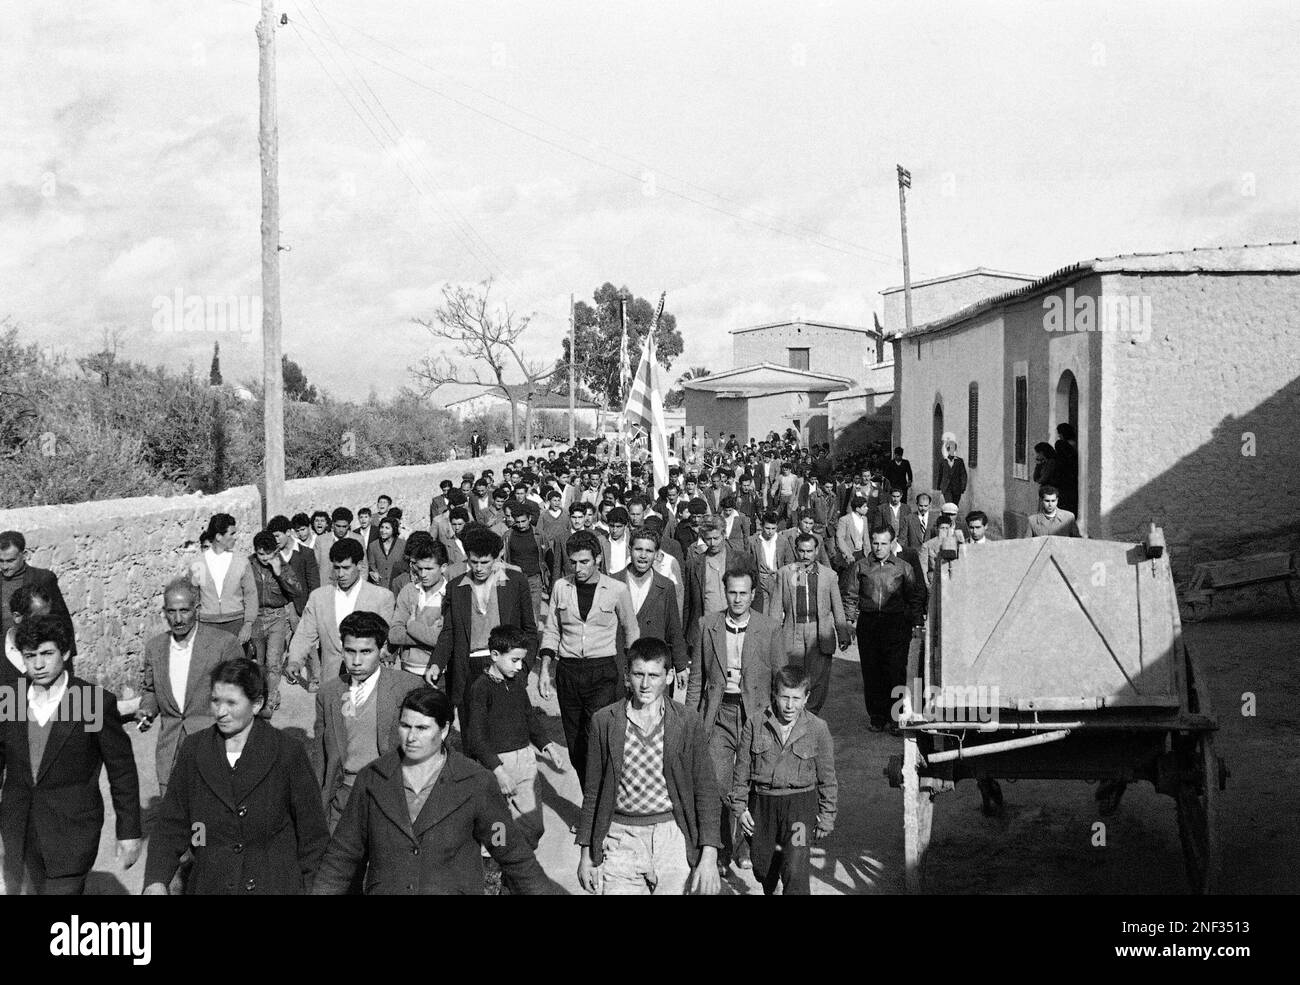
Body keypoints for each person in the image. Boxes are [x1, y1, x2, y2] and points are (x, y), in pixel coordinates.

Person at [313, 686, 552, 894]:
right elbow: (342, 853)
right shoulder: (372, 779)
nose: (411, 737)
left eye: (422, 728)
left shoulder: (476, 783)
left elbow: (510, 851)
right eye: (405, 726)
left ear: (444, 730)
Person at [143, 658, 329, 894]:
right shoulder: (194, 749)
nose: (220, 712)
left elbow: (313, 836)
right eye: (215, 701)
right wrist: (156, 880)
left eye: (231, 703)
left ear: (256, 704)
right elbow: (172, 823)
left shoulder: (287, 753)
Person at [1, 615, 142, 895]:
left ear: (65, 653)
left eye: (46, 654)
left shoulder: (91, 702)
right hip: (21, 829)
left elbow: (121, 770)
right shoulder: (11, 698)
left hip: (72, 832)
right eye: (30, 656)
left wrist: (129, 831)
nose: (38, 664)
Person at [576, 638, 721, 896]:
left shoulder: (686, 721)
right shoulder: (605, 721)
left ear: (668, 677)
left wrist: (709, 855)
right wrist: (585, 852)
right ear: (626, 676)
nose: (645, 684)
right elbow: (593, 793)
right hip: (621, 838)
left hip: (672, 836)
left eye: (654, 675)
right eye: (638, 674)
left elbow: (706, 790)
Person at [685, 568, 782, 872]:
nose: (737, 599)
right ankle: (722, 848)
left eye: (743, 593)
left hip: (756, 714)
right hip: (719, 713)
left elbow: (781, 679)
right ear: (724, 592)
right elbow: (697, 677)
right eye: (732, 592)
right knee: (717, 781)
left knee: (753, 781)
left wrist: (780, 722)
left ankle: (745, 846)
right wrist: (691, 720)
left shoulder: (768, 628)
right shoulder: (708, 625)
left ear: (753, 594)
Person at [538, 531, 640, 787]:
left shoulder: (617, 589)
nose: (578, 568)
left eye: (584, 561)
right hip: (568, 672)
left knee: (596, 737)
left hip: (602, 672)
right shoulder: (561, 587)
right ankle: (589, 800)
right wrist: (544, 670)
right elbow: (551, 629)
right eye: (573, 562)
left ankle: (603, 804)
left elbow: (631, 632)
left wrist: (634, 674)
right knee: (575, 744)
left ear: (597, 559)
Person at [730, 666, 837, 896]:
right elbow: (742, 770)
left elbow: (828, 778)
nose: (790, 706)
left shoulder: (818, 729)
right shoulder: (756, 724)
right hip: (763, 804)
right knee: (762, 866)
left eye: (796, 699)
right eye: (784, 697)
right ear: (775, 695)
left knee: (795, 867)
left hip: (799, 807)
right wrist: (739, 807)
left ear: (806, 698)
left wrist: (827, 816)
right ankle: (773, 886)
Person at [315, 612, 422, 831]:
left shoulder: (408, 687)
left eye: (366, 652)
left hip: (391, 795)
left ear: (381, 649)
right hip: (343, 796)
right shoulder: (329, 693)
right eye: (350, 651)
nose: (356, 661)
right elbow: (321, 758)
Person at [136, 578, 244, 795]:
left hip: (213, 745)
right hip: (171, 748)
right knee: (174, 815)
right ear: (164, 612)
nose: (177, 619)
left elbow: (241, 697)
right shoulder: (155, 648)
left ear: (197, 609)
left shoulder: (223, 644)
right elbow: (151, 690)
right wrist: (147, 710)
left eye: (184, 611)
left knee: (212, 815)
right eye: (171, 612)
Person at [428, 526, 537, 735]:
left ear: (497, 558)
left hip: (503, 664)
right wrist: (436, 662)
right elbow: (449, 631)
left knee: (503, 731)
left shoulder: (516, 583)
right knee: (472, 731)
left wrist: (523, 668)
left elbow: (530, 631)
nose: (478, 568)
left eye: (485, 562)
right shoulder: (455, 587)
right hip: (468, 667)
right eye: (473, 562)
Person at [464, 626, 566, 850]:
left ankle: (517, 859)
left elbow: (529, 718)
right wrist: (498, 771)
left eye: (522, 660)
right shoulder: (481, 688)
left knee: (533, 825)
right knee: (497, 827)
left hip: (525, 761)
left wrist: (547, 746)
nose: (520, 666)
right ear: (495, 656)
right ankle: (497, 872)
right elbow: (476, 737)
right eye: (515, 660)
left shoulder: (517, 682)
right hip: (496, 765)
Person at [285, 538, 396, 693]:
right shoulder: (319, 597)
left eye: (346, 568)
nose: (340, 574)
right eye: (336, 568)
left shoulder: (382, 597)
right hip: (331, 682)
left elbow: (384, 642)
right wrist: (295, 661)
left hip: (369, 683)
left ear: (359, 565)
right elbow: (304, 634)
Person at [769, 533, 849, 715]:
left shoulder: (829, 575)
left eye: (809, 551)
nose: (805, 555)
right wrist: (771, 637)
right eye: (801, 551)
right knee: (792, 676)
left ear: (816, 551)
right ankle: (794, 715)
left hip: (819, 631)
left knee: (818, 678)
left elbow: (837, 606)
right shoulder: (785, 573)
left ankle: (811, 714)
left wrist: (842, 632)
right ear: (796, 551)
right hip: (793, 629)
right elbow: (775, 609)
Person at [855, 528, 925, 734]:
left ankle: (896, 718)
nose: (879, 548)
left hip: (896, 624)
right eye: (875, 543)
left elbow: (914, 596)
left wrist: (916, 623)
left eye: (883, 543)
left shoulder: (904, 568)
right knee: (872, 671)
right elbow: (850, 594)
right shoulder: (861, 566)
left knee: (895, 671)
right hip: (868, 625)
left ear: (892, 544)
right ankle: (877, 717)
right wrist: (849, 622)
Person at [617, 529, 688, 692]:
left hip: (653, 663)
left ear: (656, 554)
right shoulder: (613, 581)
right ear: (630, 550)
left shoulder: (665, 586)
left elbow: (674, 629)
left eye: (649, 551)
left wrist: (681, 665)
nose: (643, 555)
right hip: (621, 663)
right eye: (638, 549)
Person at [248, 530, 306, 716]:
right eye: (261, 554)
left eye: (269, 554)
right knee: (258, 663)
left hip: (277, 617)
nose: (265, 558)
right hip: (256, 616)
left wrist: (279, 572)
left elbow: (297, 590)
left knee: (273, 663)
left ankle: (270, 699)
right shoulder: (248, 565)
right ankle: (260, 695)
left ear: (275, 551)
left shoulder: (282, 564)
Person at [0, 530, 76, 662]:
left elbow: (62, 621)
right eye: (0, 561)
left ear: (24, 555)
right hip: (5, 658)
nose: (4, 566)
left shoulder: (43, 579)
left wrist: (65, 663)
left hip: (36, 654)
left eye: (10, 560)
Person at [684, 516, 760, 646]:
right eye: (708, 539)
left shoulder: (742, 559)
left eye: (716, 538)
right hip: (707, 627)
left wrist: (756, 625)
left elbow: (757, 594)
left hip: (738, 625)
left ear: (724, 535)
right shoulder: (695, 564)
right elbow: (689, 602)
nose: (713, 543)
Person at [190, 513, 257, 645]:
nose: (235, 538)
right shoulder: (199, 564)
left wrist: (248, 624)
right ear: (219, 536)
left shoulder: (241, 562)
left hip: (235, 623)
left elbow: (251, 594)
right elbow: (193, 597)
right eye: (232, 534)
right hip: (208, 625)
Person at [388, 539, 448, 678]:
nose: (422, 574)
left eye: (429, 569)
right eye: (419, 568)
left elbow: (444, 639)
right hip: (408, 670)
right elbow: (394, 634)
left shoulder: (450, 594)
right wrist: (430, 634)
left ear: (443, 567)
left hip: (440, 672)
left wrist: (411, 626)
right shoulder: (409, 591)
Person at [501, 501, 552, 621]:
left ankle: (533, 639)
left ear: (529, 518)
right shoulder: (508, 536)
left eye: (523, 521)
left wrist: (550, 579)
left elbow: (548, 556)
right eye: (517, 522)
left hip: (534, 579)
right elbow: (501, 560)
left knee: (534, 614)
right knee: (516, 614)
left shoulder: (539, 535)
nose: (521, 525)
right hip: (515, 580)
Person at [747, 511, 782, 616]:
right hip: (761, 580)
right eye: (767, 528)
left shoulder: (782, 541)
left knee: (776, 613)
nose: (770, 532)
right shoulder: (752, 541)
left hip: (777, 579)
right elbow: (749, 562)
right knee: (762, 611)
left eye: (773, 529)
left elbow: (788, 562)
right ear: (761, 526)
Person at [366, 517, 406, 591]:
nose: (383, 531)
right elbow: (371, 564)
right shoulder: (373, 545)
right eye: (382, 527)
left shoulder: (403, 544)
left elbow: (406, 564)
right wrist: (373, 572)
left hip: (398, 587)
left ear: (393, 529)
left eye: (387, 528)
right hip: (379, 587)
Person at [1054, 422, 1079, 516]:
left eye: (1059, 433)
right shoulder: (1074, 444)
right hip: (1072, 478)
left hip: (1065, 479)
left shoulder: (1061, 445)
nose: (1058, 436)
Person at [938, 440, 968, 508]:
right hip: (946, 487)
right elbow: (940, 474)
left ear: (955, 449)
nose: (951, 450)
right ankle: (949, 518)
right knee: (949, 504)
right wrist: (939, 487)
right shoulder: (943, 462)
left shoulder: (959, 461)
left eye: (953, 448)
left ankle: (954, 517)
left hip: (957, 488)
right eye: (949, 448)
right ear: (947, 449)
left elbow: (963, 474)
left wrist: (963, 486)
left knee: (955, 505)